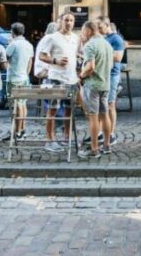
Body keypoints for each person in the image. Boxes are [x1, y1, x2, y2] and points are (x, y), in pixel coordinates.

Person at [38, 13, 80, 153]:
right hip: (56, 78)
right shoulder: (52, 37)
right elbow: (42, 56)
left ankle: (66, 137)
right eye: (66, 20)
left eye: (71, 20)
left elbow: (76, 54)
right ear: (61, 22)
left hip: (72, 79)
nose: (69, 23)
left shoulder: (75, 37)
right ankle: (50, 140)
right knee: (53, 110)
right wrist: (55, 61)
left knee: (69, 110)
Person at [77, 21, 113, 158]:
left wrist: (81, 76)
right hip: (105, 84)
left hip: (92, 85)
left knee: (93, 117)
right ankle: (107, 145)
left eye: (82, 31)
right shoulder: (107, 44)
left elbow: (90, 67)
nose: (82, 34)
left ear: (88, 31)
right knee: (105, 115)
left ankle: (94, 149)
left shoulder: (90, 45)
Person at [5, 22, 33, 140]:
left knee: (17, 105)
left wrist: (8, 44)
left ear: (12, 32)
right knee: (23, 104)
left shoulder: (13, 44)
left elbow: (5, 59)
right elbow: (30, 61)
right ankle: (22, 129)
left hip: (14, 78)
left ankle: (18, 132)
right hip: (24, 77)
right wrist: (26, 73)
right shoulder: (28, 44)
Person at [98, 17, 124, 144]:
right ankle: (101, 132)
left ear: (107, 25)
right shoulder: (102, 38)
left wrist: (100, 55)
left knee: (110, 104)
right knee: (100, 105)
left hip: (112, 75)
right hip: (101, 74)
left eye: (100, 25)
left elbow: (118, 57)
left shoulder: (116, 39)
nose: (98, 28)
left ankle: (111, 133)